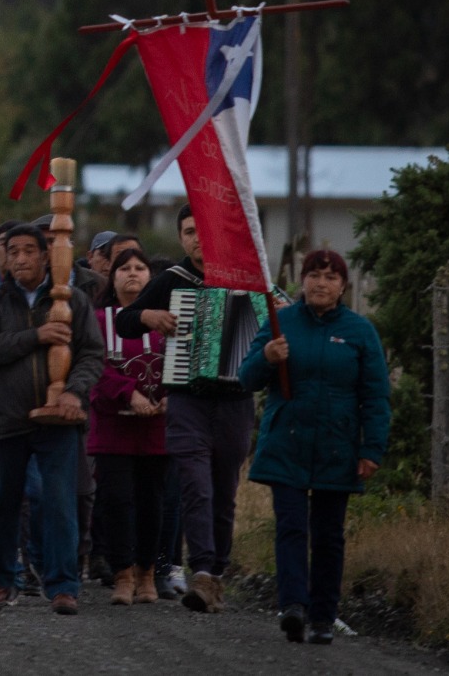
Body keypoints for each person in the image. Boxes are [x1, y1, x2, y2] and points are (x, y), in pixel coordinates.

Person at [241, 250, 390, 646]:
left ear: (343, 285)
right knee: (290, 526)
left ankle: (323, 616)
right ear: (301, 281)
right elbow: (247, 378)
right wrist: (268, 358)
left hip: (337, 447)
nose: (321, 283)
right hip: (287, 440)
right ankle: (293, 606)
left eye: (330, 276)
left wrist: (372, 449)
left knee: (328, 534)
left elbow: (375, 395)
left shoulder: (360, 332)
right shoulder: (281, 322)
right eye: (313, 275)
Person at [115, 204, 252, 615]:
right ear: (181, 238)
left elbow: (278, 322)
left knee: (224, 490)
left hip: (235, 400)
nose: (197, 239)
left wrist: (279, 316)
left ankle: (218, 572)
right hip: (187, 398)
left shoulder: (246, 278)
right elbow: (125, 322)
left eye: (204, 230)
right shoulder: (172, 280)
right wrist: (149, 314)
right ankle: (203, 572)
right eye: (189, 232)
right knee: (195, 484)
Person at [0, 223, 102, 616]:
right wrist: (36, 336)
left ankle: (63, 586)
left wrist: (73, 392)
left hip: (59, 418)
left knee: (60, 502)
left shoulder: (72, 300)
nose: (22, 258)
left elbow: (92, 354)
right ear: (5, 258)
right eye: (14, 251)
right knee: (2, 503)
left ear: (47, 256)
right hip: (7, 416)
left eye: (30, 250)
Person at [88, 247, 168, 605]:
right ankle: (122, 574)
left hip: (157, 428)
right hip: (112, 428)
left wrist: (171, 396)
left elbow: (184, 358)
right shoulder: (99, 320)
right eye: (125, 268)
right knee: (117, 501)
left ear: (151, 277)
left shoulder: (167, 319)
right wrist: (128, 393)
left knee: (152, 502)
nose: (133, 273)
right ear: (112, 276)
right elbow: (92, 366)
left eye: (140, 267)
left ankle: (147, 572)